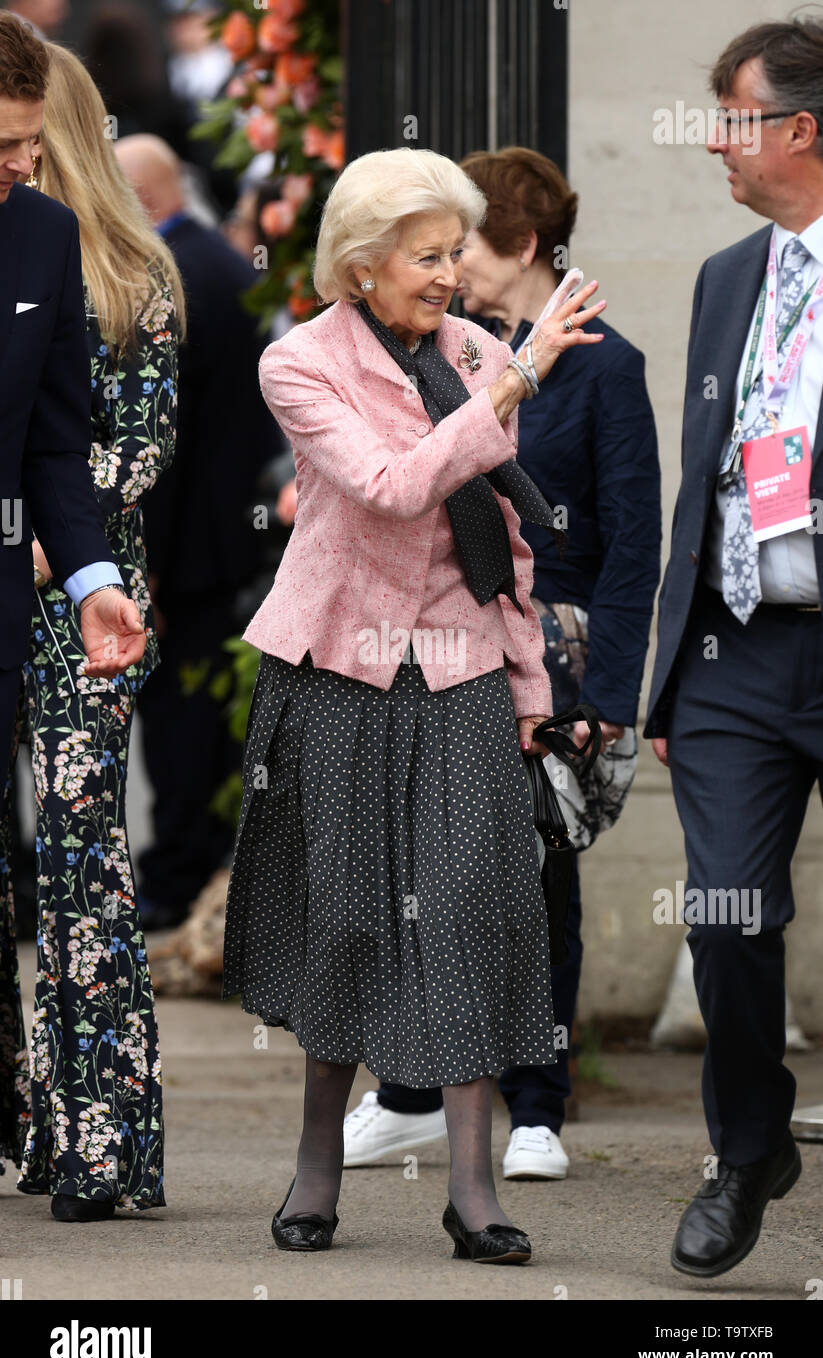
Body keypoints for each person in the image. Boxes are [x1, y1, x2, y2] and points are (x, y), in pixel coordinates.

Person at [222, 145, 606, 1263]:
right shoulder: (299, 363)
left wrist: (531, 686)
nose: (452, 276)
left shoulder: (482, 352)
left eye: (456, 253)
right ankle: (317, 1166)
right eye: (427, 256)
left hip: (462, 670)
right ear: (361, 261)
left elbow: (511, 544)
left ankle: (474, 1188)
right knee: (344, 911)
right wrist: (510, 384)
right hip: (339, 665)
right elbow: (393, 490)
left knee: (475, 905)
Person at [344, 146, 661, 1181]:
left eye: (463, 244)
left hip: (547, 645)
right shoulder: (441, 349)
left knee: (534, 883)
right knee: (411, 870)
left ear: (521, 245)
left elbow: (634, 542)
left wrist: (606, 690)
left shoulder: (606, 365)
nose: (444, 267)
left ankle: (537, 1105)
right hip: (435, 635)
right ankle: (405, 1091)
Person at [645, 17, 823, 1277]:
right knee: (723, 915)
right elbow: (702, 479)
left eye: (736, 118)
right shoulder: (723, 277)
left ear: (801, 130)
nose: (717, 142)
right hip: (734, 653)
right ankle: (745, 1144)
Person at [0, 34, 184, 1221]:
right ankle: (33, 1123)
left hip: (73, 600)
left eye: (29, 139)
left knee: (81, 877)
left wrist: (81, 563)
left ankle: (99, 1144)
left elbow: (86, 446)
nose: (21, 161)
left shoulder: (97, 255)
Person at [114, 133, 279, 929]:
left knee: (179, 728)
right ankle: (188, 866)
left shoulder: (173, 277)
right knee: (197, 727)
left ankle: (173, 879)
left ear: (141, 199)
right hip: (218, 539)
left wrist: (140, 568)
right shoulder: (213, 259)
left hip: (186, 552)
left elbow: (160, 443)